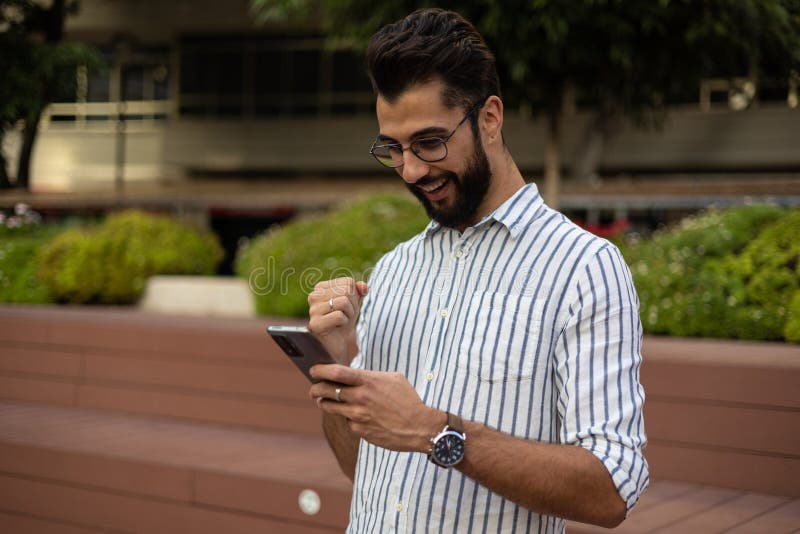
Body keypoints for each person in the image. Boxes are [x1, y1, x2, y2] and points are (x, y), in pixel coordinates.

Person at [306, 8, 648, 533]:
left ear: (490, 118)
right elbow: (365, 468)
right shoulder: (395, 269)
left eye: (429, 142)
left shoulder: (584, 269)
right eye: (393, 149)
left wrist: (434, 431)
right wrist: (339, 375)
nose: (412, 170)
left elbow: (610, 490)